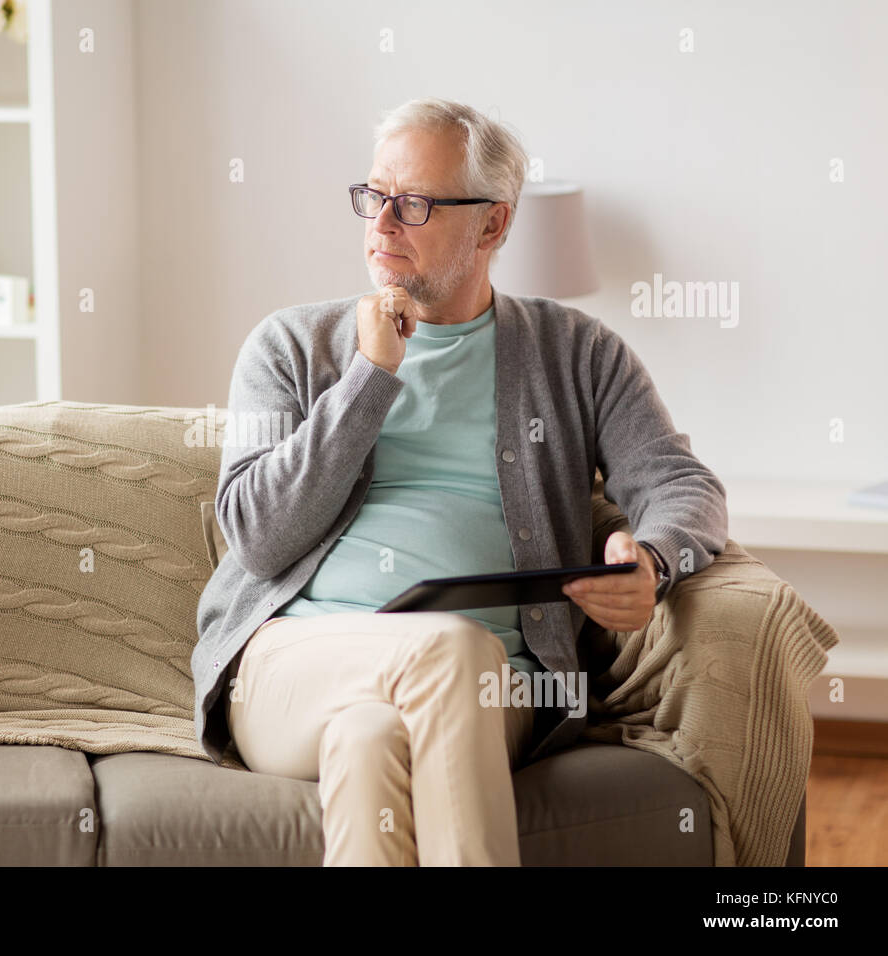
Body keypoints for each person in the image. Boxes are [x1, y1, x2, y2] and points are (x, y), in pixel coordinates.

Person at [191, 97, 728, 866]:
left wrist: (656, 558)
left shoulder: (576, 352)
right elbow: (258, 534)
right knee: (448, 649)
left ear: (493, 225)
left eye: (412, 205)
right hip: (291, 663)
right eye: (373, 197)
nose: (381, 225)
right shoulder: (288, 346)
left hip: (496, 691)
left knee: (371, 738)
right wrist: (369, 379)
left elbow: (679, 480)